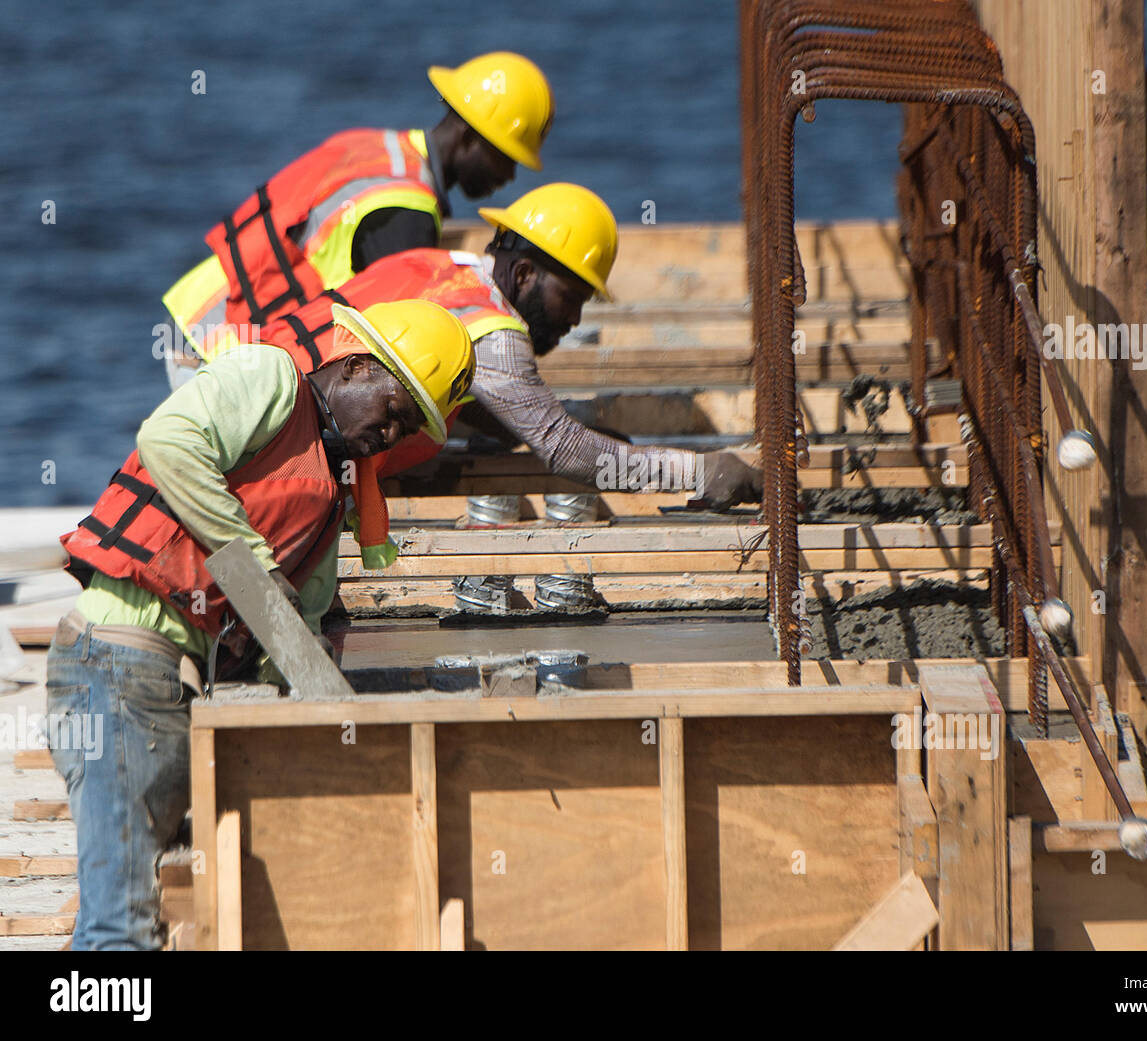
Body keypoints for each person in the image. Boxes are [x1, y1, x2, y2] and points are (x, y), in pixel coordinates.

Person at [48, 300, 474, 949]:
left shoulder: (328, 502)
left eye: (406, 430)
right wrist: (249, 561)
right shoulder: (270, 379)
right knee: (120, 929)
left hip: (170, 692)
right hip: (115, 665)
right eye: (391, 411)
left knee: (116, 917)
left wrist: (353, 745)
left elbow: (291, 640)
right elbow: (169, 441)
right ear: (357, 366)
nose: (388, 437)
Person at [203, 183, 763, 509]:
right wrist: (701, 472)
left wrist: (551, 427)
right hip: (273, 461)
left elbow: (463, 396)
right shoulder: (493, 332)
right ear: (522, 275)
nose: (576, 317)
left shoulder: (439, 265)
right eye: (572, 295)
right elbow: (566, 452)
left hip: (236, 395)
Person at [159, 52, 552, 388]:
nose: (510, 177)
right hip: (219, 342)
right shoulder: (407, 210)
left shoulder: (379, 146)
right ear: (469, 137)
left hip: (199, 309)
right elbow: (398, 336)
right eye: (506, 158)